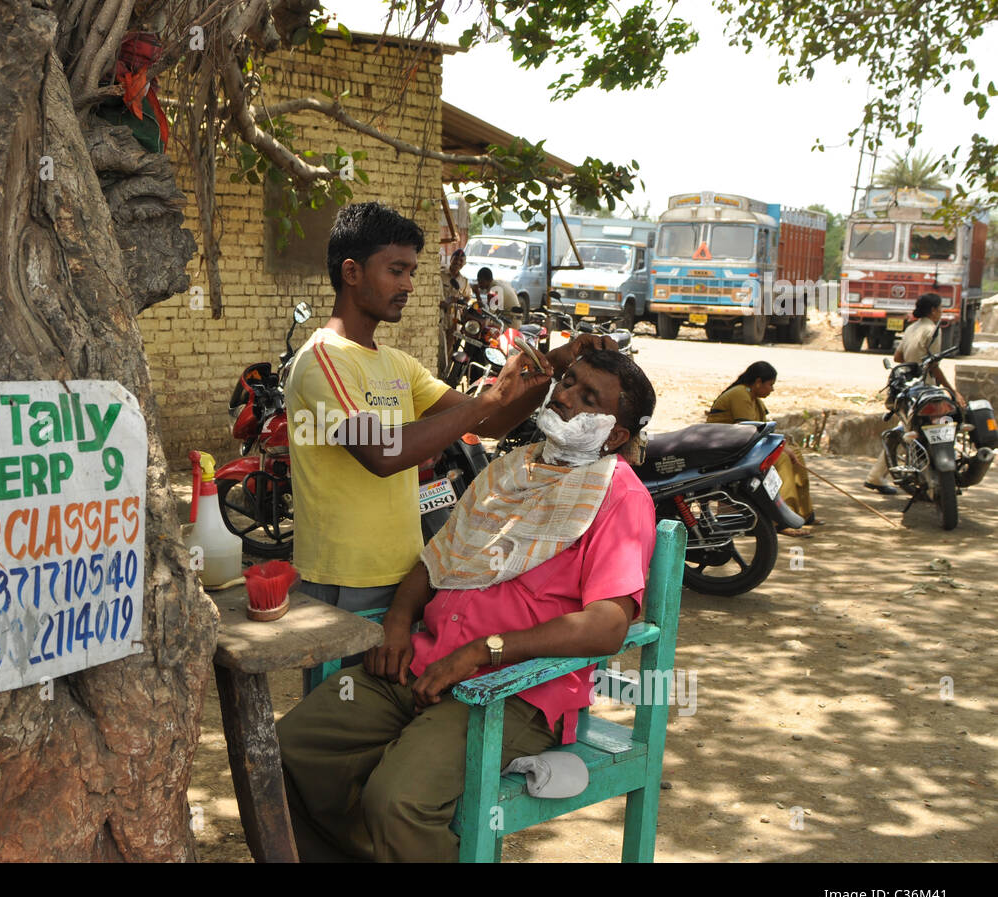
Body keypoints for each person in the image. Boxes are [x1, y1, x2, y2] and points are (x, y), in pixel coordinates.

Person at [277, 347, 658, 862]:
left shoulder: (621, 497)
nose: (564, 396)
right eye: (567, 382)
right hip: (423, 660)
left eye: (587, 398)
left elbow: (608, 625)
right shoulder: (510, 470)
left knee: (396, 802)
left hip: (511, 691)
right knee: (285, 751)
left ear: (615, 434)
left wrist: (485, 652)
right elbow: (435, 562)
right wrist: (395, 621)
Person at [284, 202, 610, 621]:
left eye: (412, 273)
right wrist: (490, 397)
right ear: (351, 273)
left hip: (405, 574)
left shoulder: (398, 364)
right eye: (395, 271)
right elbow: (382, 454)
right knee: (344, 685)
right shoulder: (322, 361)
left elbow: (490, 424)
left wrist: (553, 365)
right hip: (345, 579)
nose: (408, 285)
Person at [864, 293, 969, 495]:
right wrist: (953, 391)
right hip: (926, 388)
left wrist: (913, 360)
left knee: (907, 428)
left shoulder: (912, 328)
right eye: (940, 309)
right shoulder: (932, 330)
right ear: (932, 311)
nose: (941, 312)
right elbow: (934, 365)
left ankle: (876, 476)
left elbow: (898, 357)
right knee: (936, 428)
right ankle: (931, 479)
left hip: (908, 389)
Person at [706, 361, 817, 536]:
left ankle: (804, 512)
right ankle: (781, 521)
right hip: (726, 447)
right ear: (758, 382)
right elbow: (750, 429)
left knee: (795, 451)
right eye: (770, 385)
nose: (772, 389)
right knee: (782, 459)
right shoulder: (740, 394)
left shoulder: (754, 398)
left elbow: (764, 427)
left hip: (742, 444)